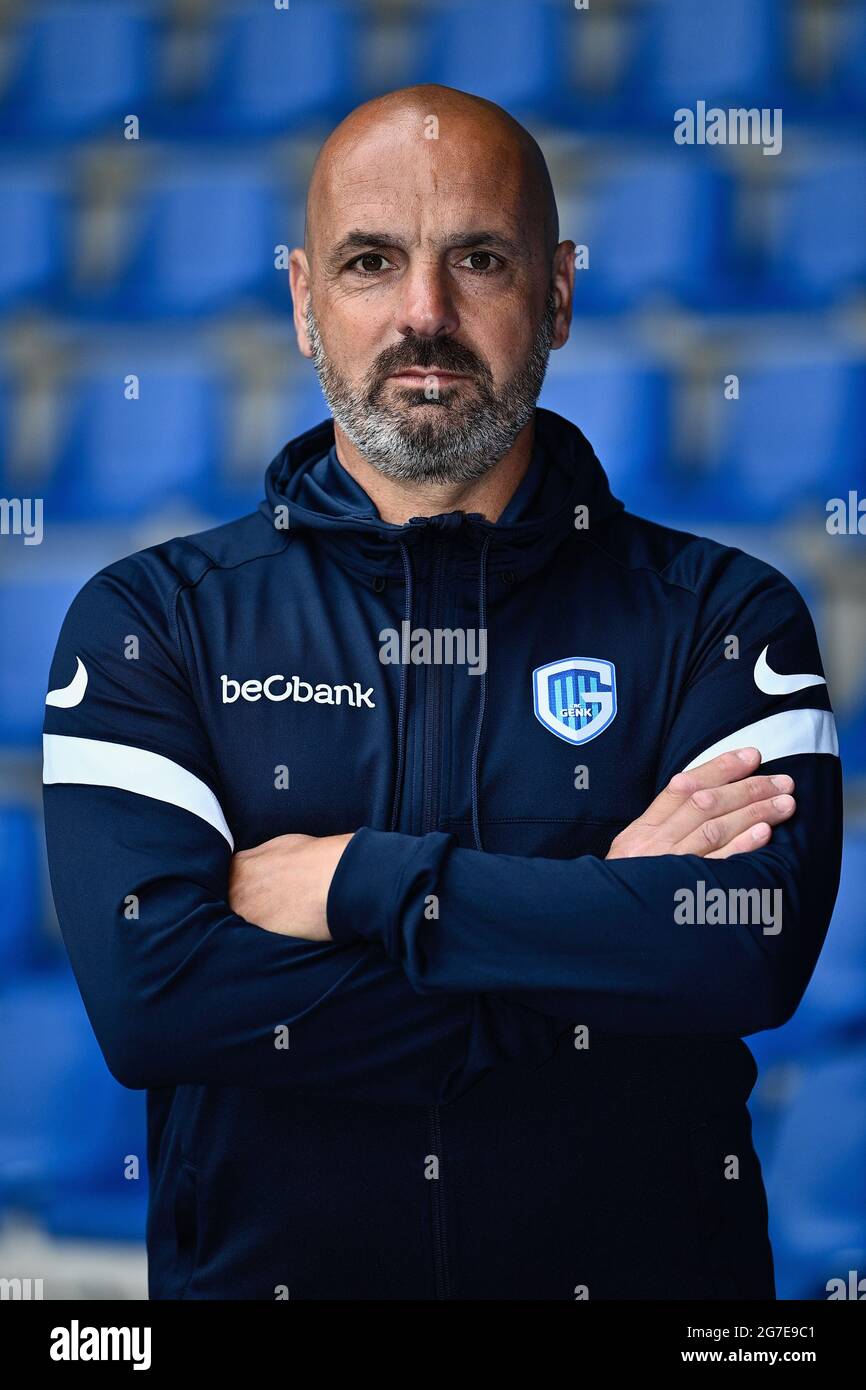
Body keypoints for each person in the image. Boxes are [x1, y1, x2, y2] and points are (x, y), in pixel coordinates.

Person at [43, 85, 842, 1300]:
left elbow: (742, 954)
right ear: (306, 302)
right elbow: (157, 1002)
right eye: (372, 263)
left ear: (558, 290)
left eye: (477, 257)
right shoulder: (155, 621)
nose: (424, 315)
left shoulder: (724, 617)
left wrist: (363, 884)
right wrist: (591, 942)